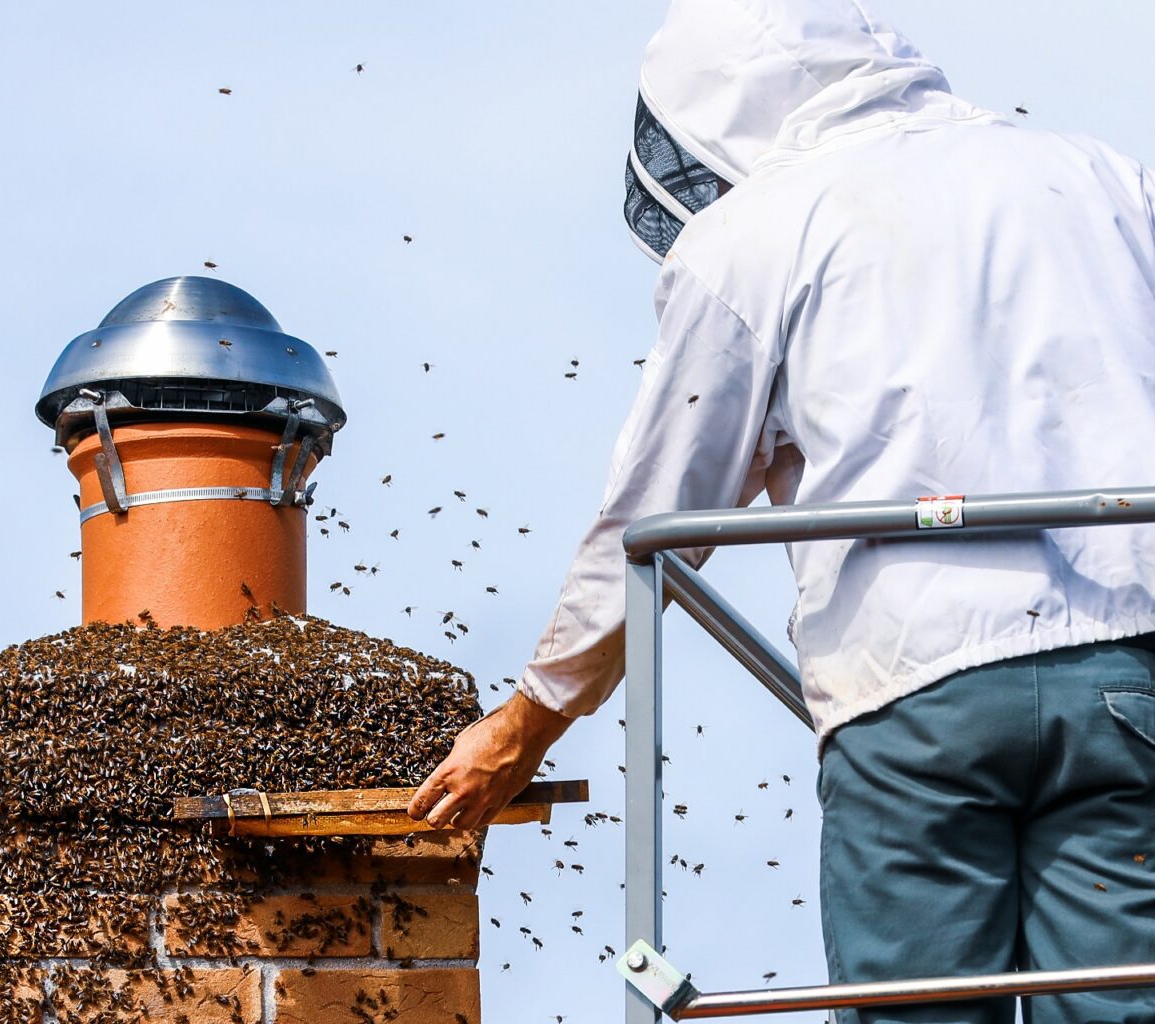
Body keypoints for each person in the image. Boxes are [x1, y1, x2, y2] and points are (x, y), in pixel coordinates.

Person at [407, 0, 1155, 1020]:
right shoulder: (1101, 175)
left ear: (716, 111)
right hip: (1129, 669)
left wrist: (530, 721)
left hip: (917, 695)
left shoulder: (755, 232)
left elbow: (661, 509)